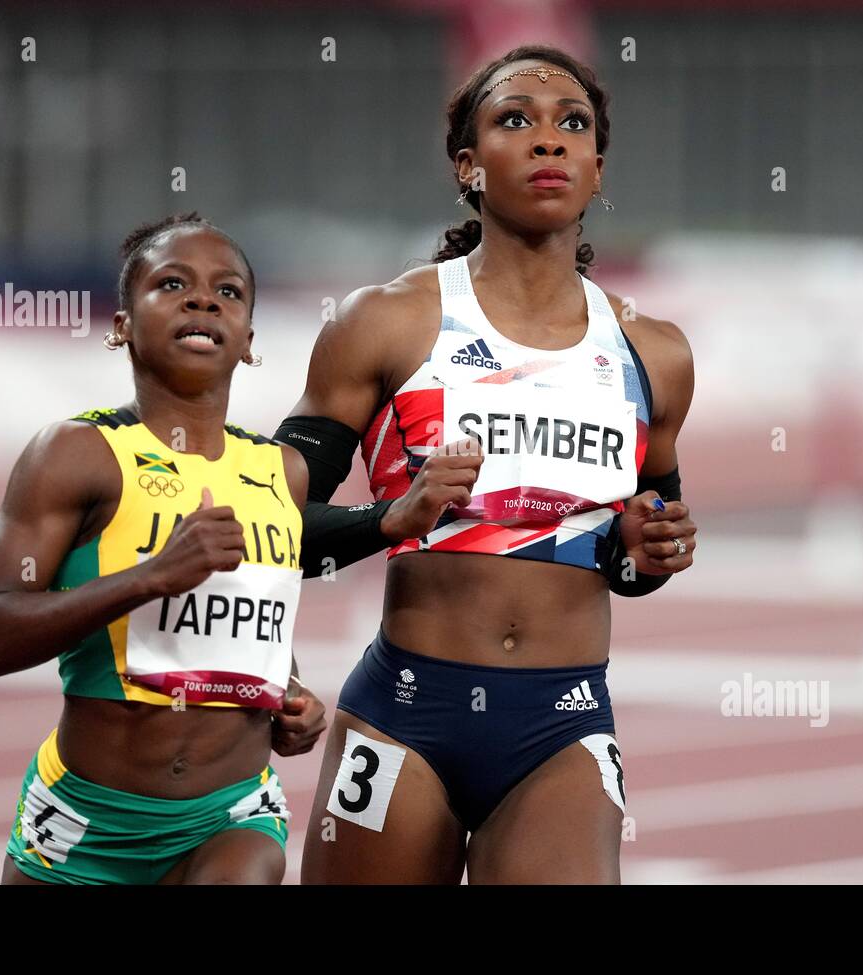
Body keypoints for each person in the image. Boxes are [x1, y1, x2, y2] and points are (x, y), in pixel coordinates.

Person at [275, 46, 695, 884]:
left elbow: (632, 551)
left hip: (561, 720)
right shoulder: (385, 323)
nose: (549, 140)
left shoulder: (655, 353)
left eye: (571, 124)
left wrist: (648, 553)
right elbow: (268, 521)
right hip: (404, 712)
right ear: (468, 167)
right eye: (516, 120)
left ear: (597, 168)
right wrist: (385, 520)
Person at [0, 213, 327, 885]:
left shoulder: (282, 471)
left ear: (248, 340)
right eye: (172, 283)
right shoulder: (75, 454)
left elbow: (254, 631)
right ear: (122, 323)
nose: (204, 300)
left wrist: (290, 696)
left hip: (229, 815)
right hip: (84, 822)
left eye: (228, 291)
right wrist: (149, 577)